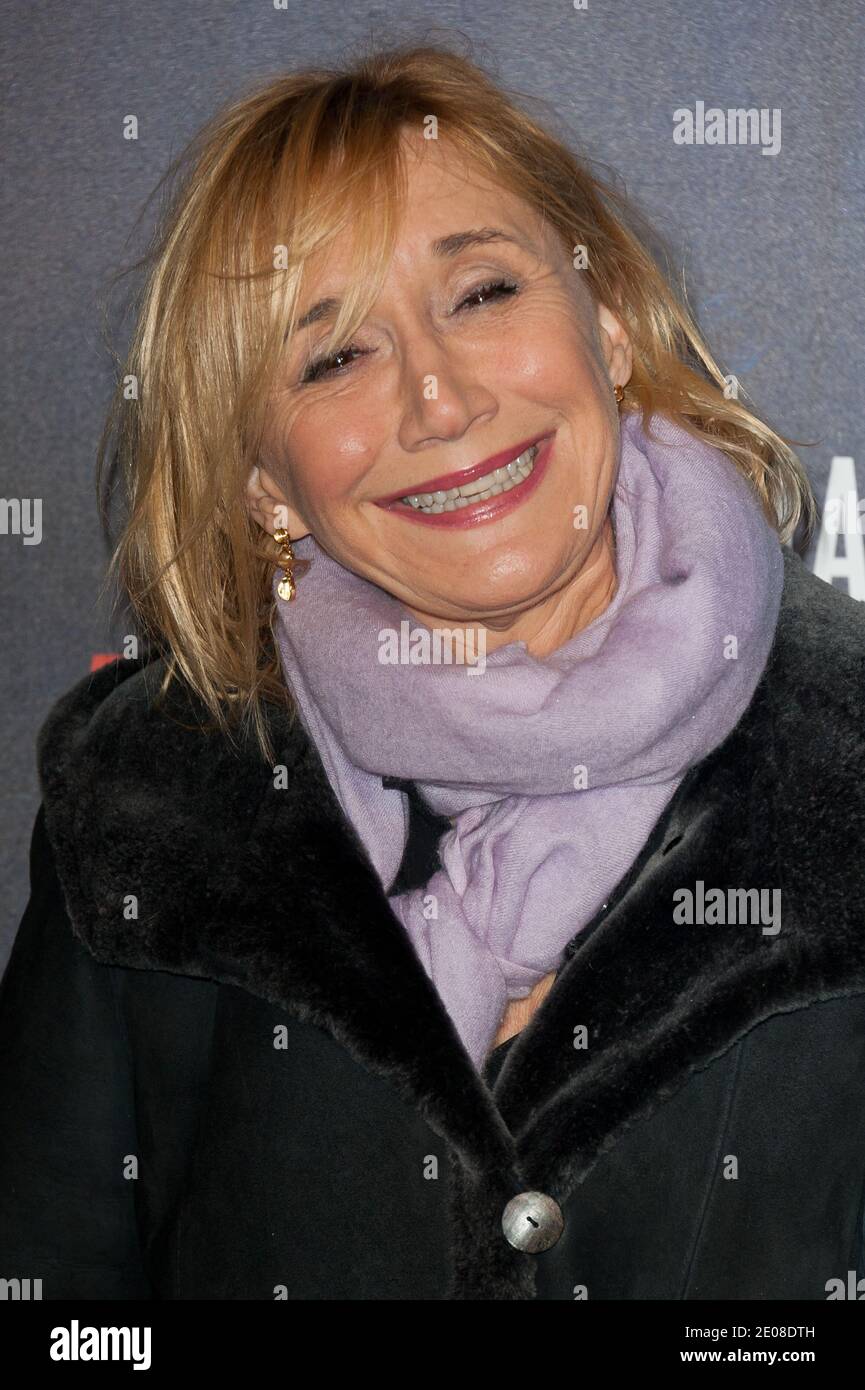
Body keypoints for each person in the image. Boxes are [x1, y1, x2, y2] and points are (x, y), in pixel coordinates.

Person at [1, 42, 863, 1302]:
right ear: (261, 484)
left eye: (481, 294)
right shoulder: (145, 810)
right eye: (331, 357)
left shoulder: (847, 773)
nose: (440, 399)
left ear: (607, 323)